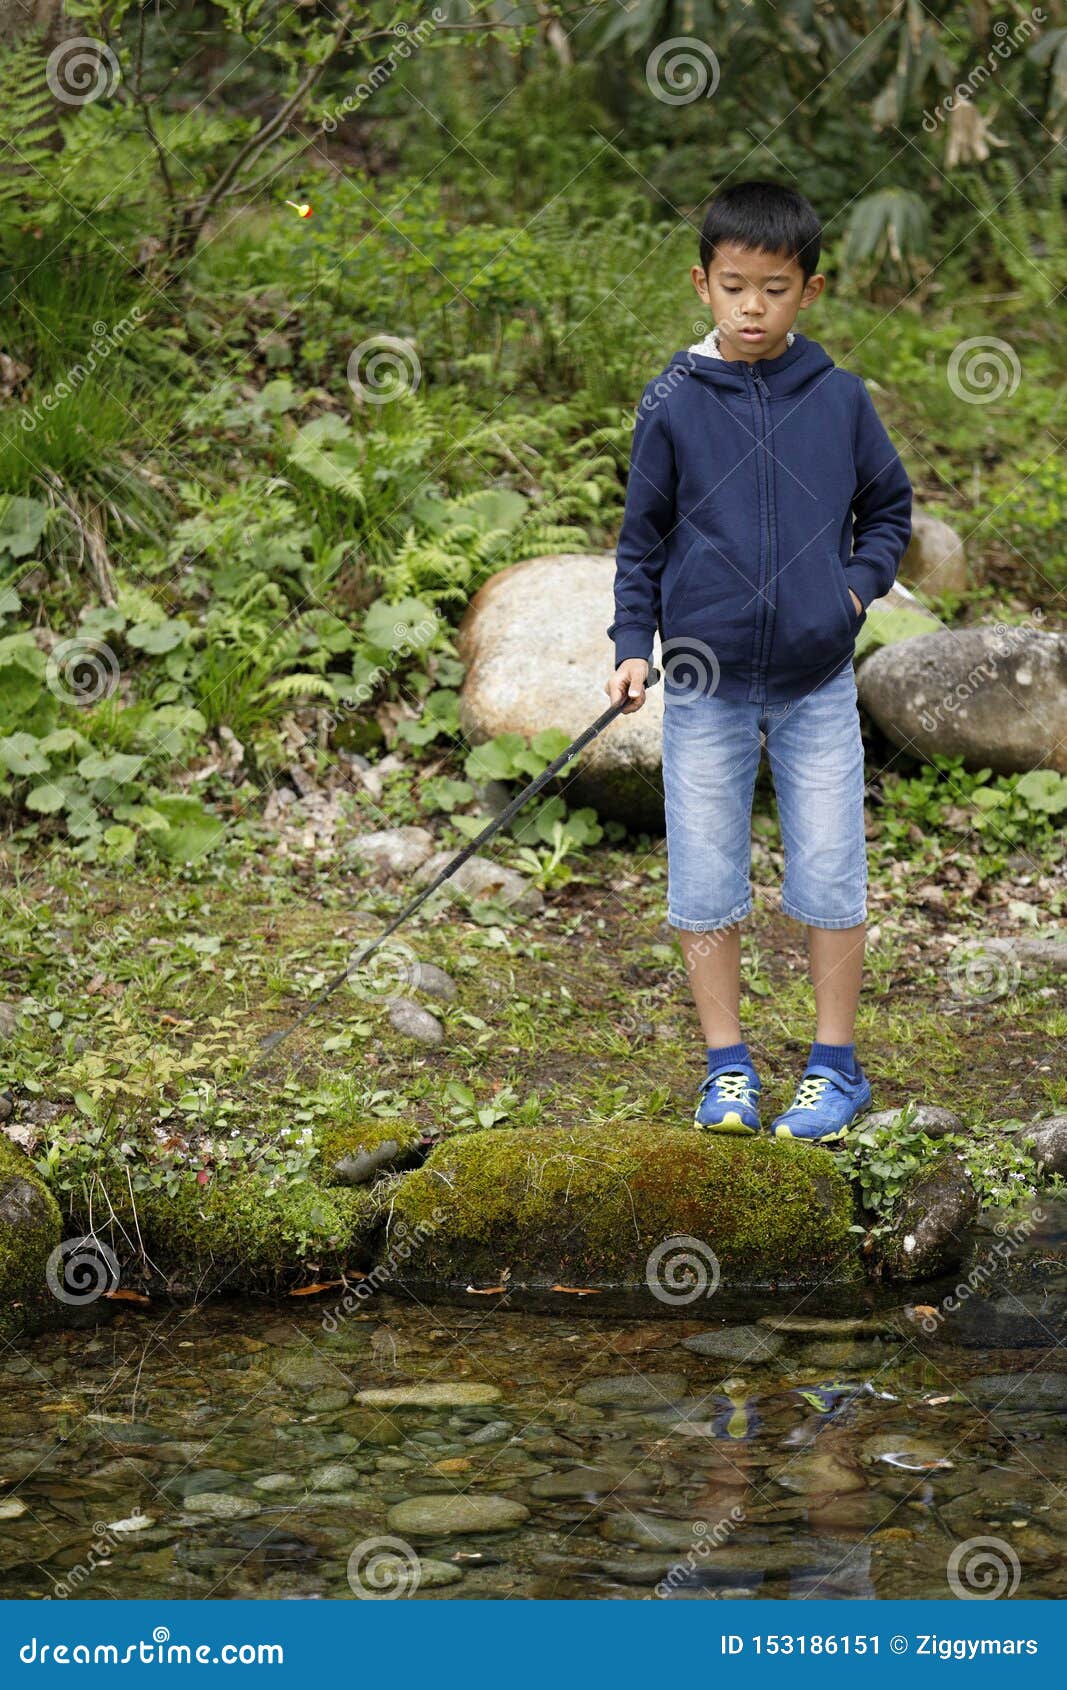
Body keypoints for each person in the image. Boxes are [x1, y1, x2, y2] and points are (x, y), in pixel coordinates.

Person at [605, 180, 912, 1145]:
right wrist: (627, 645)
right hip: (701, 682)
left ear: (808, 292)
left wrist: (852, 593)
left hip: (817, 680)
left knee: (828, 872)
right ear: (701, 283)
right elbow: (639, 539)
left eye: (772, 289)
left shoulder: (837, 398)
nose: (751, 308)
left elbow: (889, 511)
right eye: (733, 286)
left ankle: (833, 1067)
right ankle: (726, 1068)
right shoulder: (673, 402)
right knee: (702, 881)